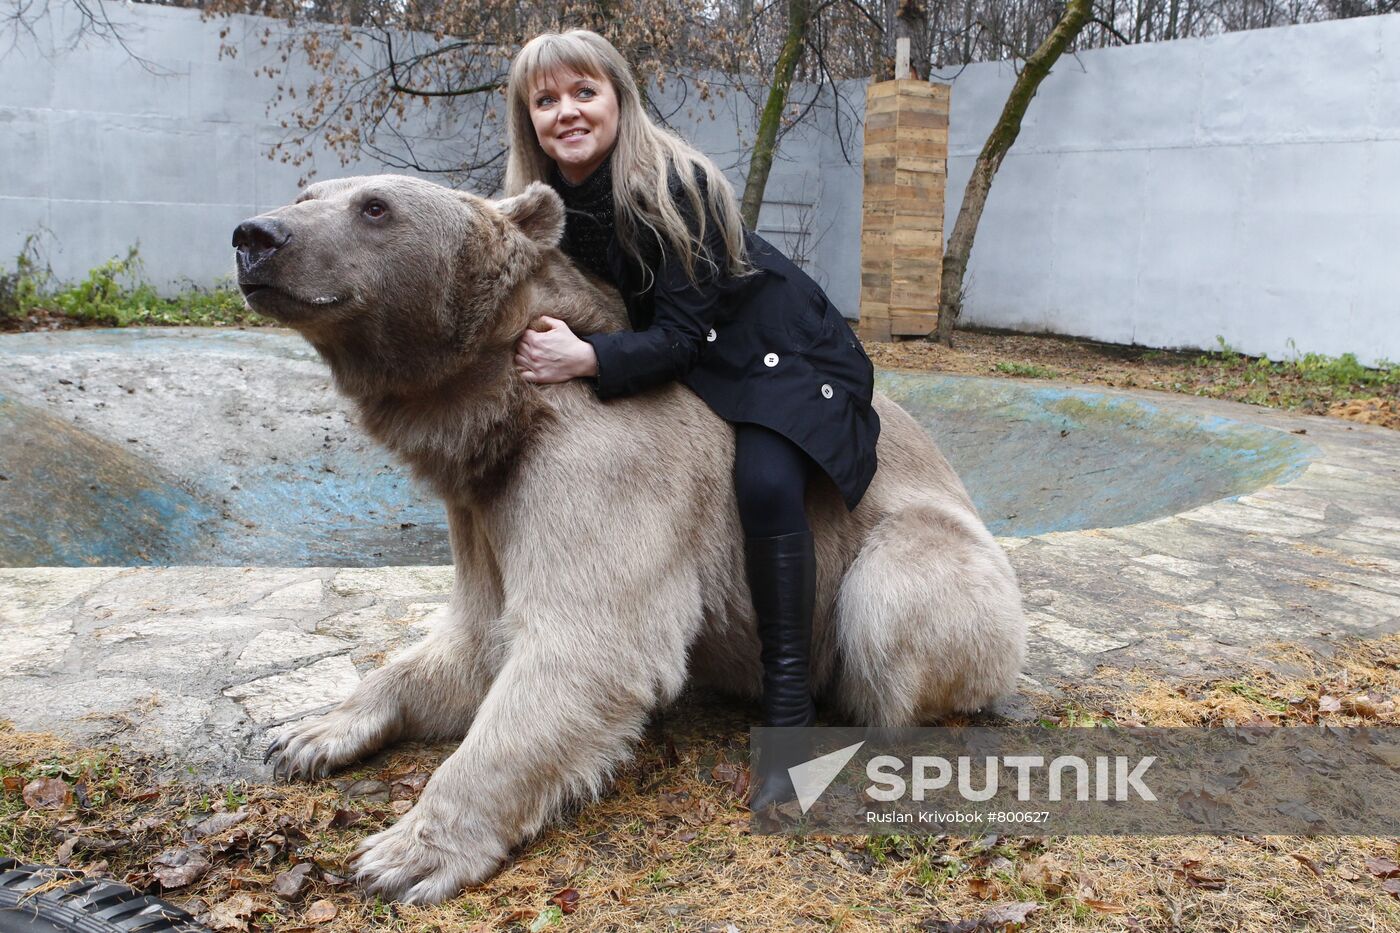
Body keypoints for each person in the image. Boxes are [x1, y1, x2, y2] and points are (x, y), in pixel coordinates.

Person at [505, 29, 880, 809]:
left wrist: (588, 359)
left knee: (768, 480)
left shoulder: (676, 183)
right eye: (546, 101)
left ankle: (789, 717)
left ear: (618, 98)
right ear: (528, 120)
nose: (566, 112)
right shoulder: (547, 206)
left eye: (584, 93)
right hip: (698, 352)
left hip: (777, 347)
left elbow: (677, 338)